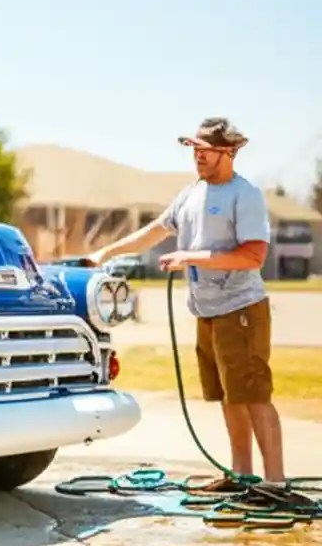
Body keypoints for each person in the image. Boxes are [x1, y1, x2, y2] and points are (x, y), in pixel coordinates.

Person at [85, 117, 284, 490]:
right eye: (194, 149)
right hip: (207, 312)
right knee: (228, 395)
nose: (198, 156)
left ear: (229, 152)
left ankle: (275, 484)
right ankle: (241, 475)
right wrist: (105, 253)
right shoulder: (191, 193)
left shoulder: (245, 195)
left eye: (205, 150)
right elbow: (155, 231)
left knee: (254, 395)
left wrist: (192, 257)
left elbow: (253, 256)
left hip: (241, 309)